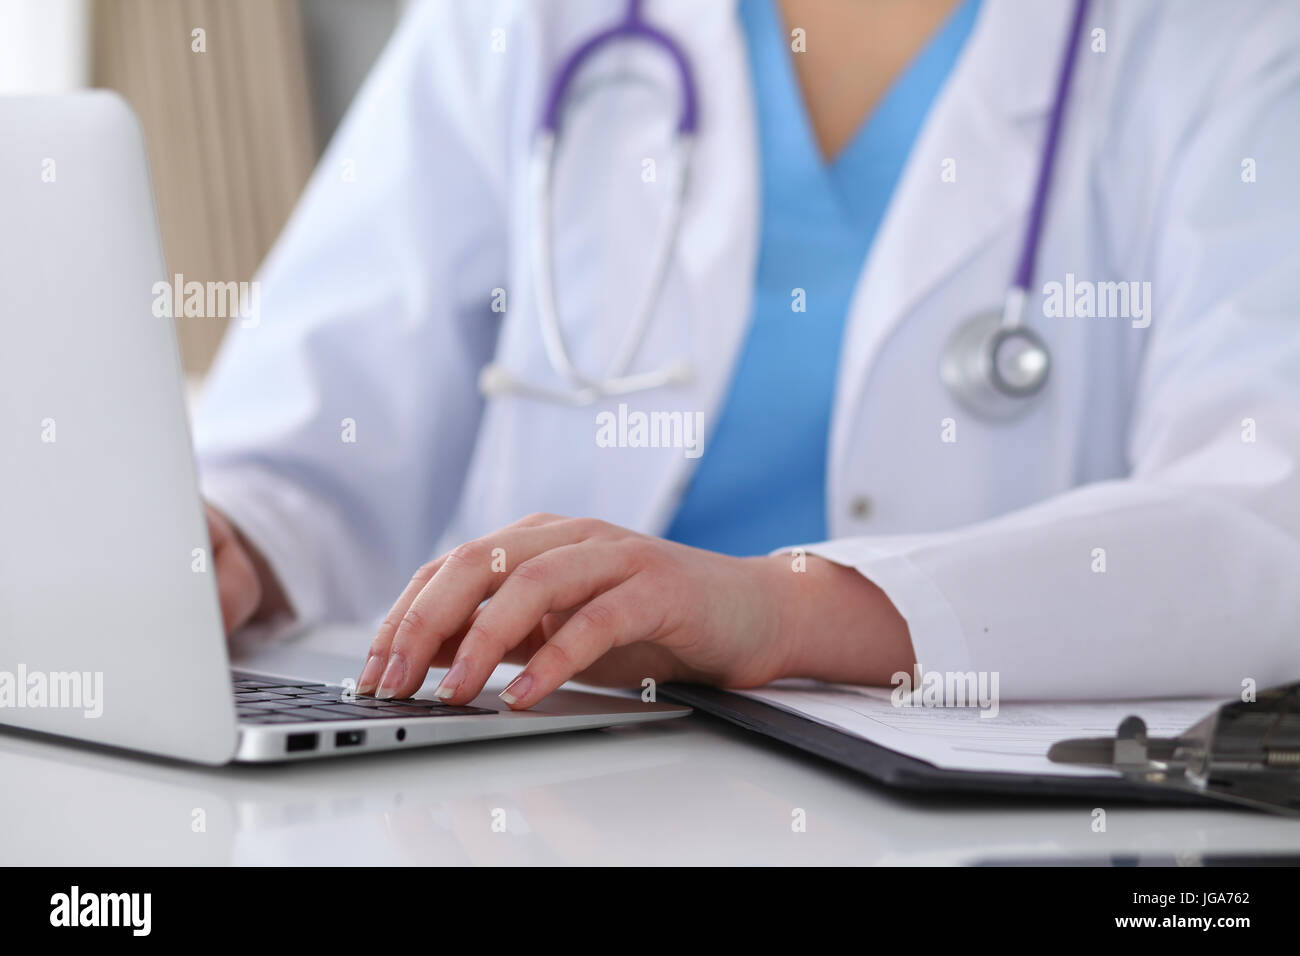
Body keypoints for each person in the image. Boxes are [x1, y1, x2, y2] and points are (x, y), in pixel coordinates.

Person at [194, 0, 1300, 710]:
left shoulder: (1230, 42)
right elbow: (307, 431)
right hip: (521, 795)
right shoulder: (523, 21)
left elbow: (1265, 515)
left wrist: (783, 610)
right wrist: (233, 536)